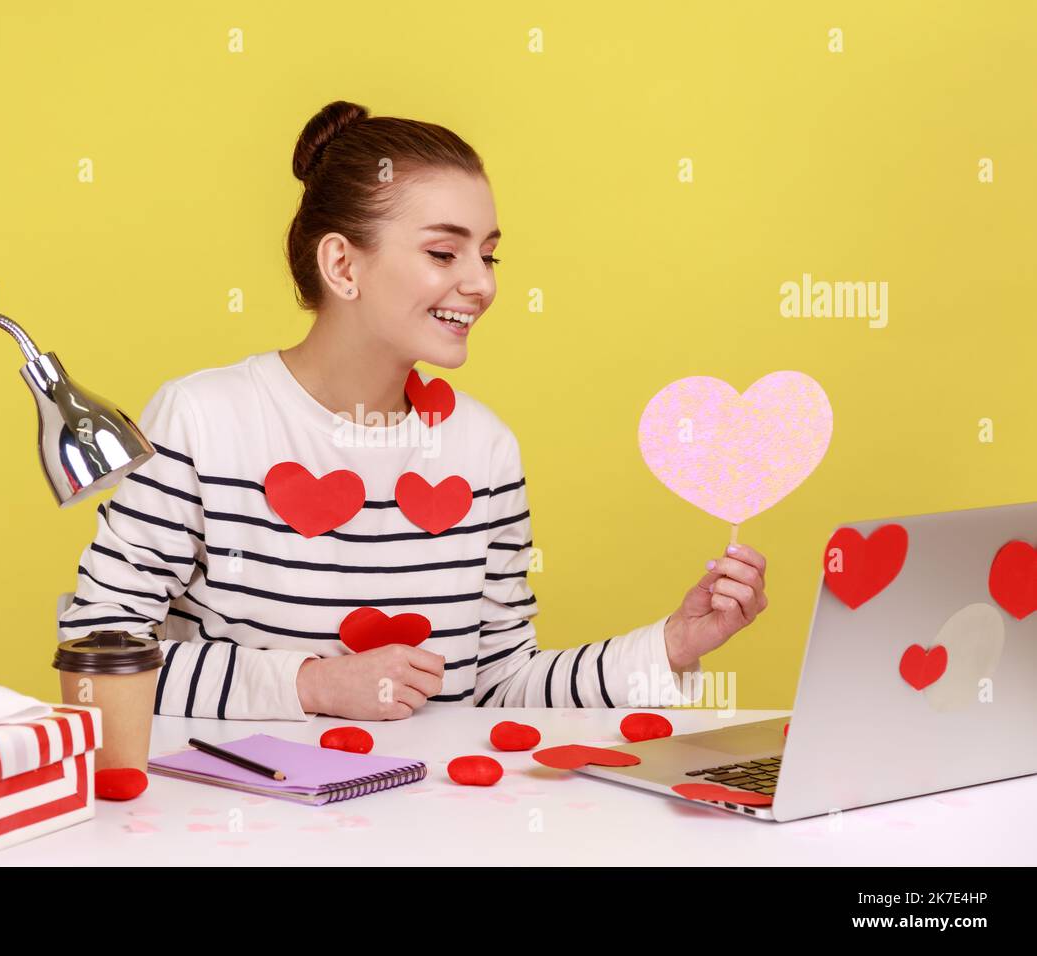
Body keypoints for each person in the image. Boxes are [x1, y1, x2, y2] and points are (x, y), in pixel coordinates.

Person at [57, 99, 769, 722]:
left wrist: (671, 645)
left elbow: (497, 688)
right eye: (443, 251)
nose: (480, 283)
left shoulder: (484, 450)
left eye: (489, 256)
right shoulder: (202, 422)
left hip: (436, 828)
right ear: (343, 267)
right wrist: (314, 684)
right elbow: (93, 664)